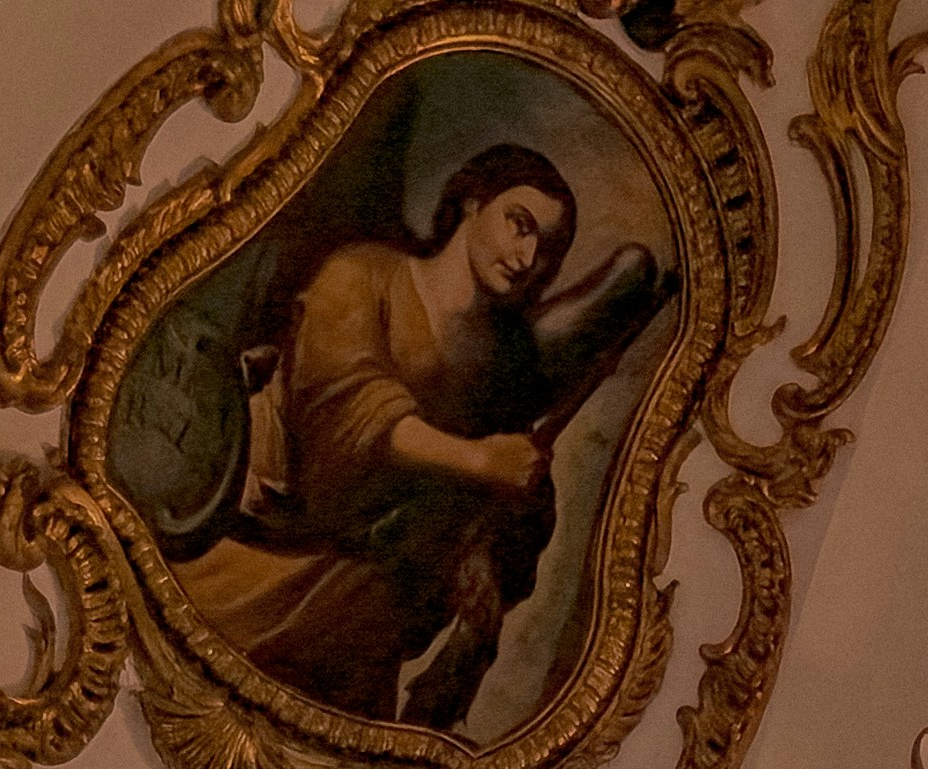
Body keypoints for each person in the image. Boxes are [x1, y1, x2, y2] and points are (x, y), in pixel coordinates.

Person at [172, 140, 674, 728]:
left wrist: (487, 577)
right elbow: (348, 406)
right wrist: (480, 461)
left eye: (548, 250)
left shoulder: (500, 364)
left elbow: (509, 500)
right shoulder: (362, 274)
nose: (528, 255)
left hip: (359, 611)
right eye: (519, 225)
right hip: (258, 552)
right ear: (470, 203)